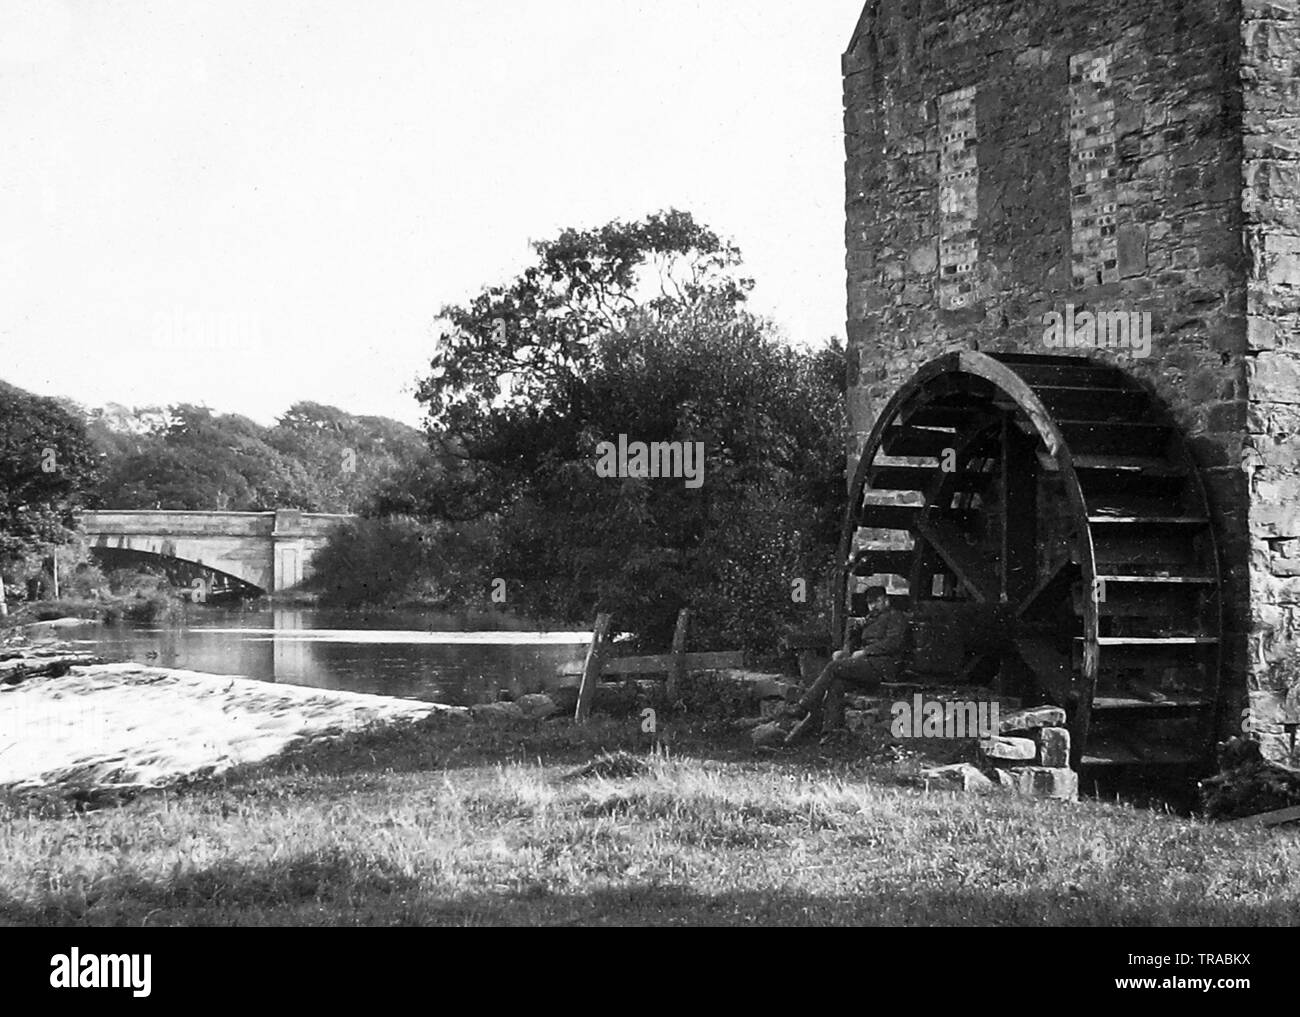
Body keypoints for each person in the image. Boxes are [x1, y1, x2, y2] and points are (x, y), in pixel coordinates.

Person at [784, 585, 909, 743]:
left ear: (886, 600)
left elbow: (893, 643)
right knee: (837, 683)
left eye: (877, 601)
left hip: (884, 665)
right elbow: (852, 645)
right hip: (867, 664)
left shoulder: (896, 617)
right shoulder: (869, 620)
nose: (873, 606)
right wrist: (854, 631)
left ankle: (804, 705)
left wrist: (866, 651)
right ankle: (829, 733)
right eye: (870, 603)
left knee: (833, 667)